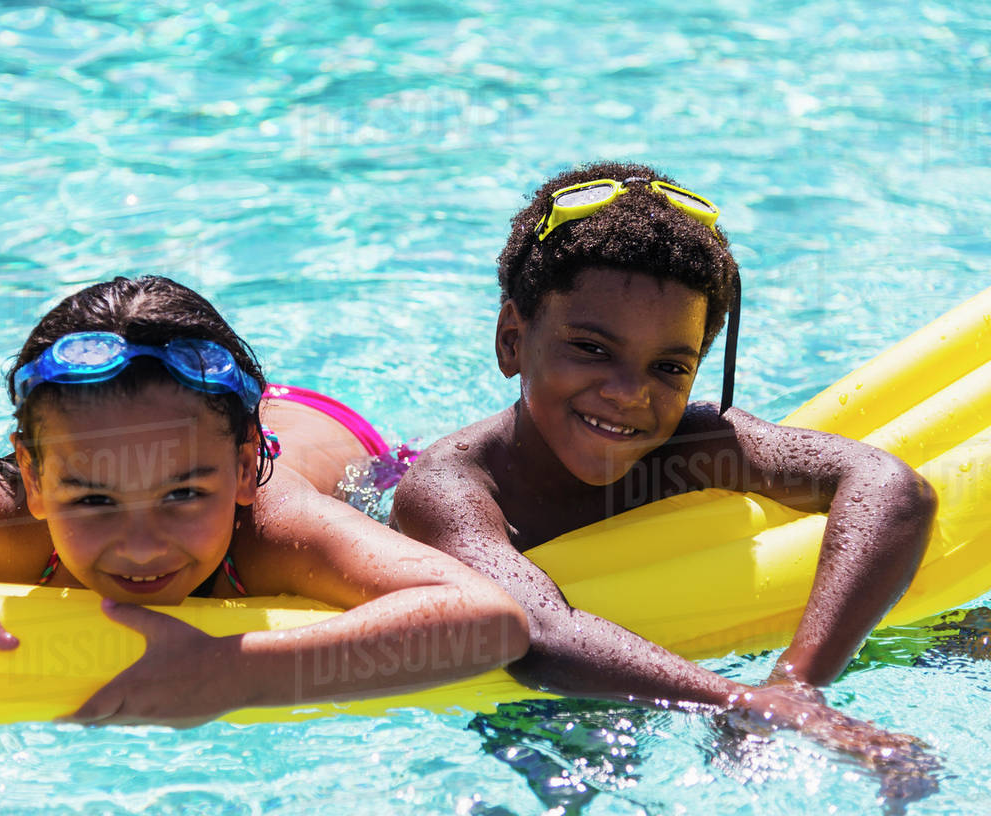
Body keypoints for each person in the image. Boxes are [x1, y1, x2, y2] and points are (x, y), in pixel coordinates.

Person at [0, 276, 528, 730]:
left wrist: (239, 669)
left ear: (242, 474)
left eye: (183, 497)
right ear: (37, 479)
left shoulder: (272, 526)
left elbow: (488, 620)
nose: (141, 545)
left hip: (326, 436)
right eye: (93, 501)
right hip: (193, 424)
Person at [390, 162, 939, 750]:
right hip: (518, 696)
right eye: (591, 348)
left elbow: (891, 488)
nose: (630, 392)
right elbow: (532, 633)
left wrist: (797, 683)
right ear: (512, 340)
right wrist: (740, 701)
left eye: (670, 367)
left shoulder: (692, 447)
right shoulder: (451, 489)